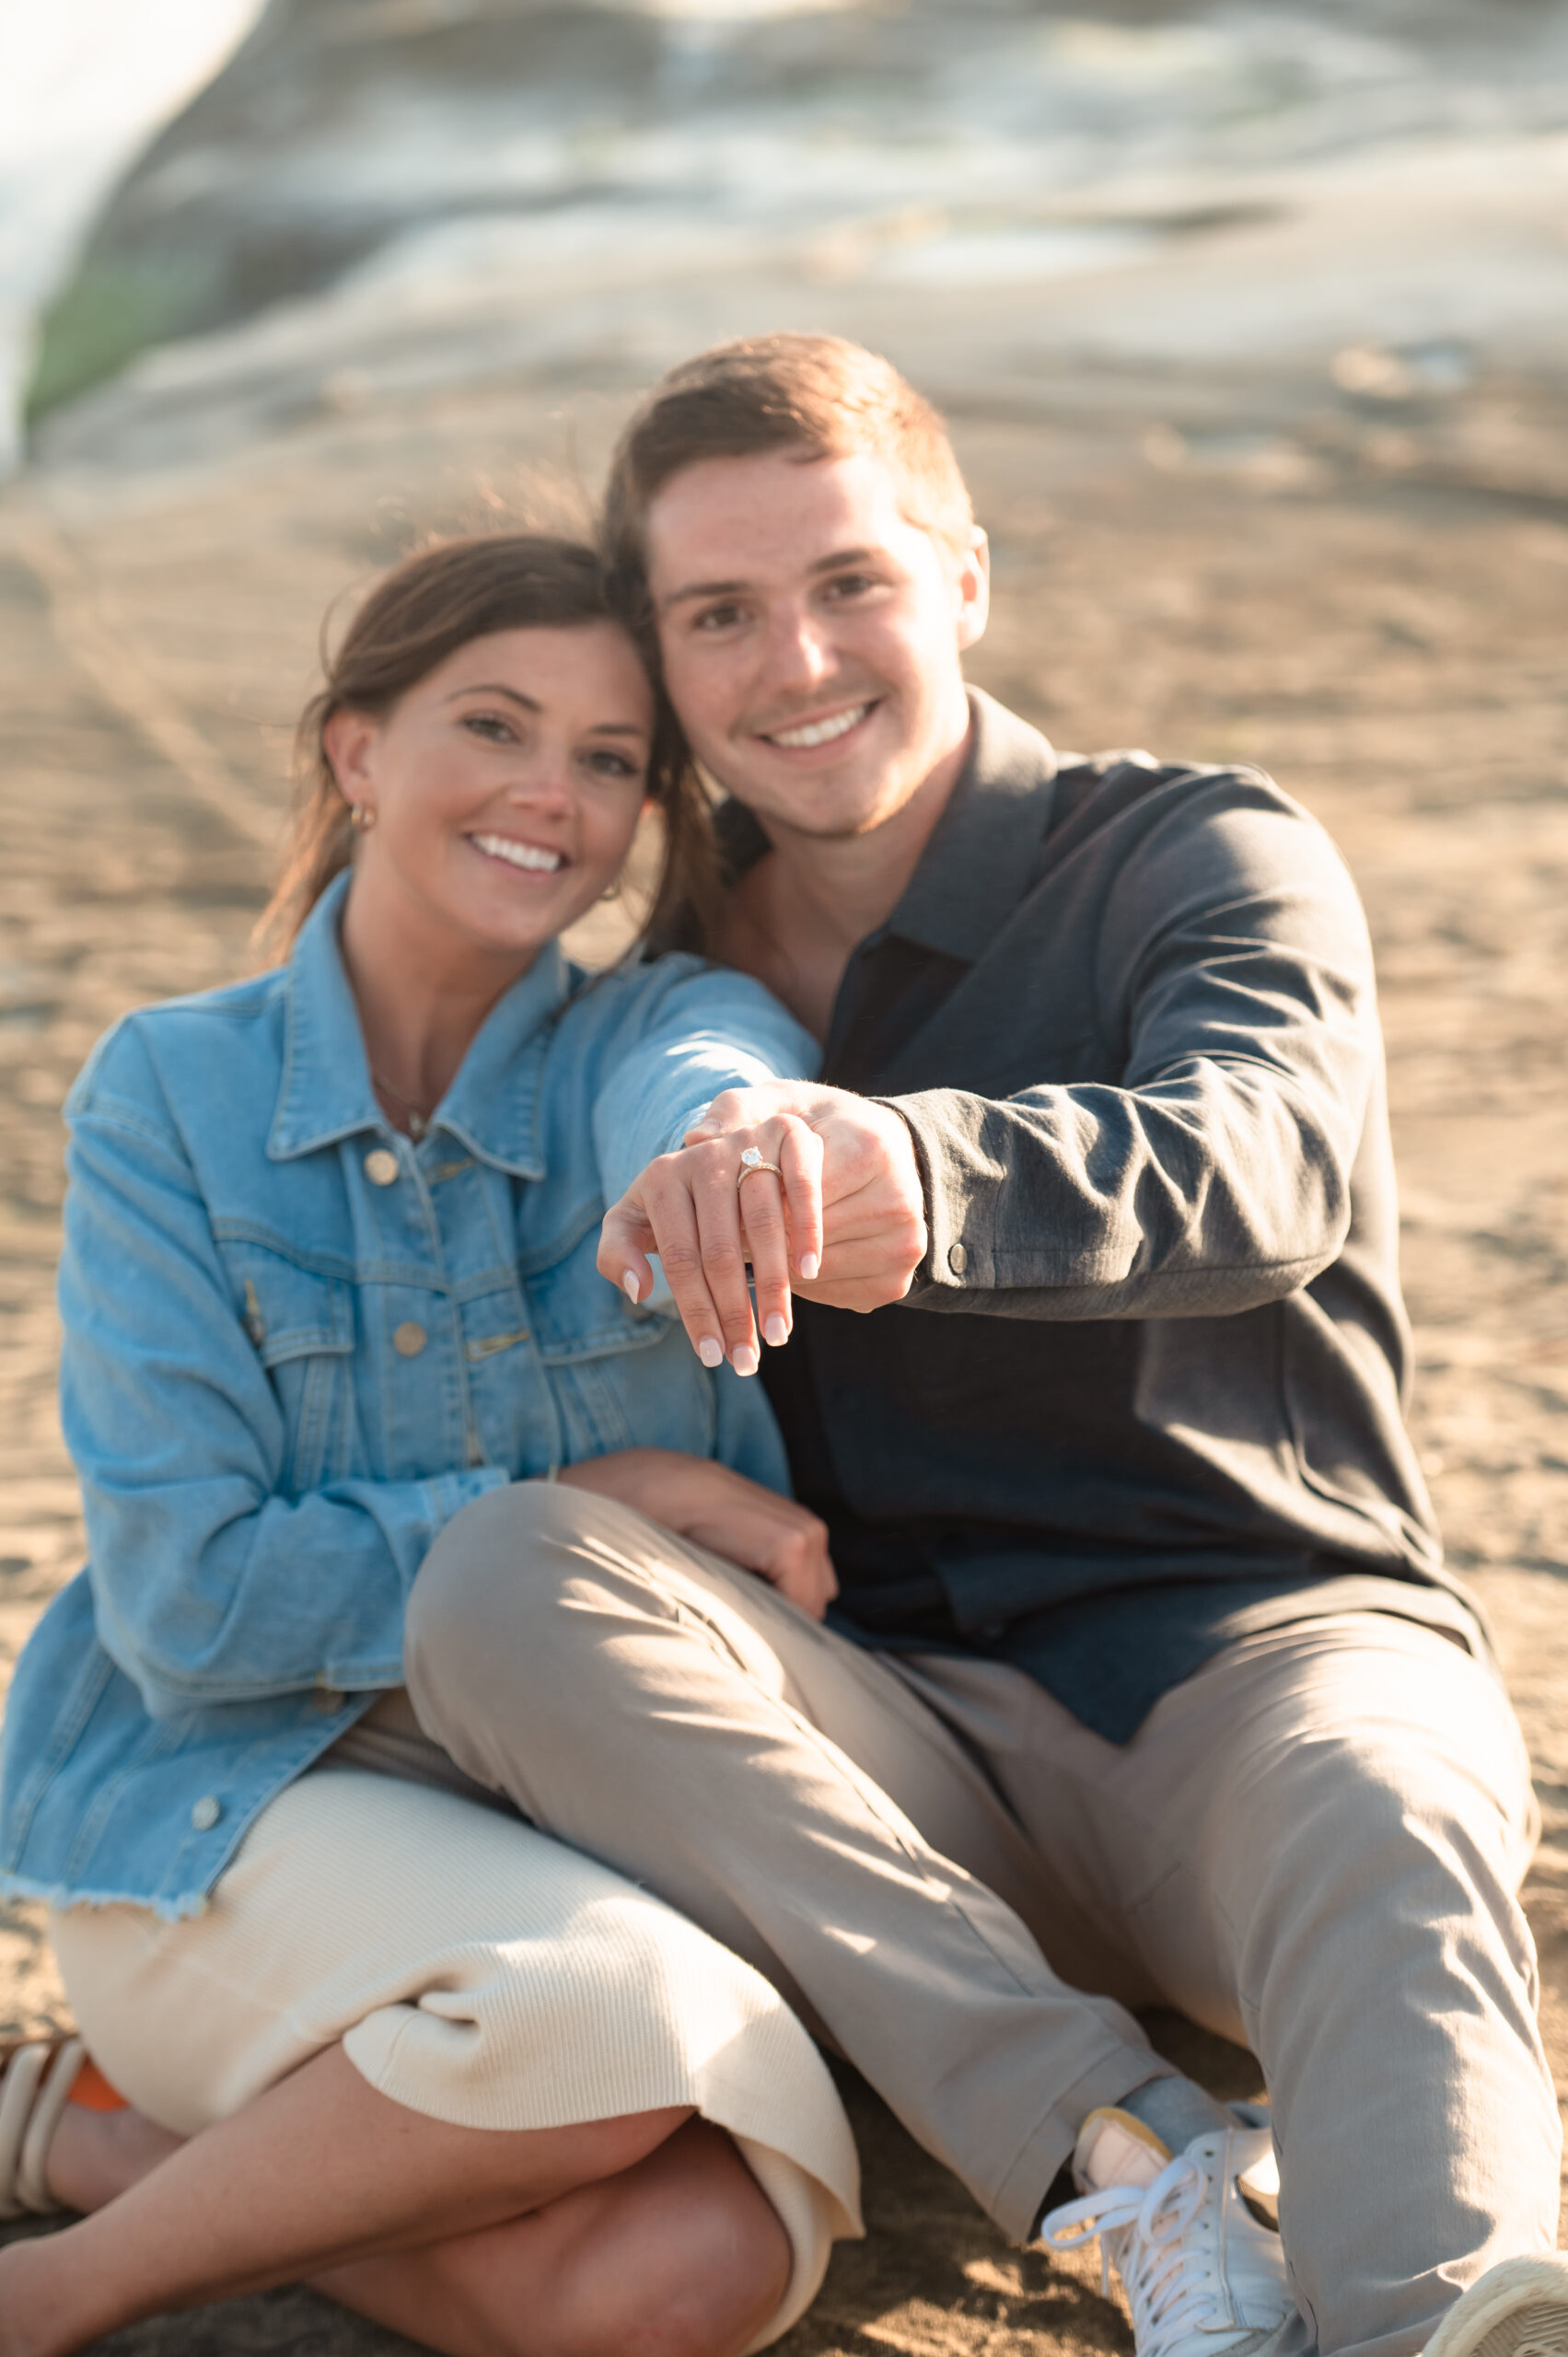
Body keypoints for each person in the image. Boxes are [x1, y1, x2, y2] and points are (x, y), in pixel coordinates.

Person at [398, 341, 1568, 2357]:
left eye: (849, 578)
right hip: (901, 1751)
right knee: (503, 1576)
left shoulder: (1198, 851)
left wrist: (918, 1175)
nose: (796, 656)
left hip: (1262, 1672)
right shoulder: (675, 995)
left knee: (1388, 1808)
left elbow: (1260, 1157)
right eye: (720, 615)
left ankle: (1449, 2310)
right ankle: (1138, 2162)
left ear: (964, 578)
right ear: (669, 672)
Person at [0, 532, 863, 2357]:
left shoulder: (658, 1038)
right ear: (357, 749)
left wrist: (734, 1132)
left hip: (571, 1836)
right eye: (493, 721)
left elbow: (718, 1069)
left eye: (615, 756)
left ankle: (103, 2145)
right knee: (620, 2015)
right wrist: (575, 1512)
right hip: (230, 1821)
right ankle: (63, 2292)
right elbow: (195, 1606)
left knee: (694, 2271)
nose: (555, 791)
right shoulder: (175, 1091)